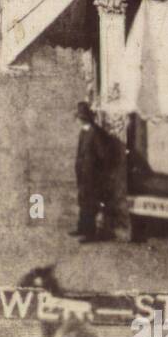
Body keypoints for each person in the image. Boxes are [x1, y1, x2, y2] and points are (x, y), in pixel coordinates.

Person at [71, 102, 110, 243]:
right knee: (83, 200)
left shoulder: (95, 133)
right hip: (83, 173)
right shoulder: (84, 131)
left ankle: (90, 233)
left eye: (79, 117)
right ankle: (82, 228)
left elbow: (103, 155)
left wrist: (96, 170)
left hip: (92, 176)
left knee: (90, 203)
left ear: (83, 118)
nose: (77, 120)